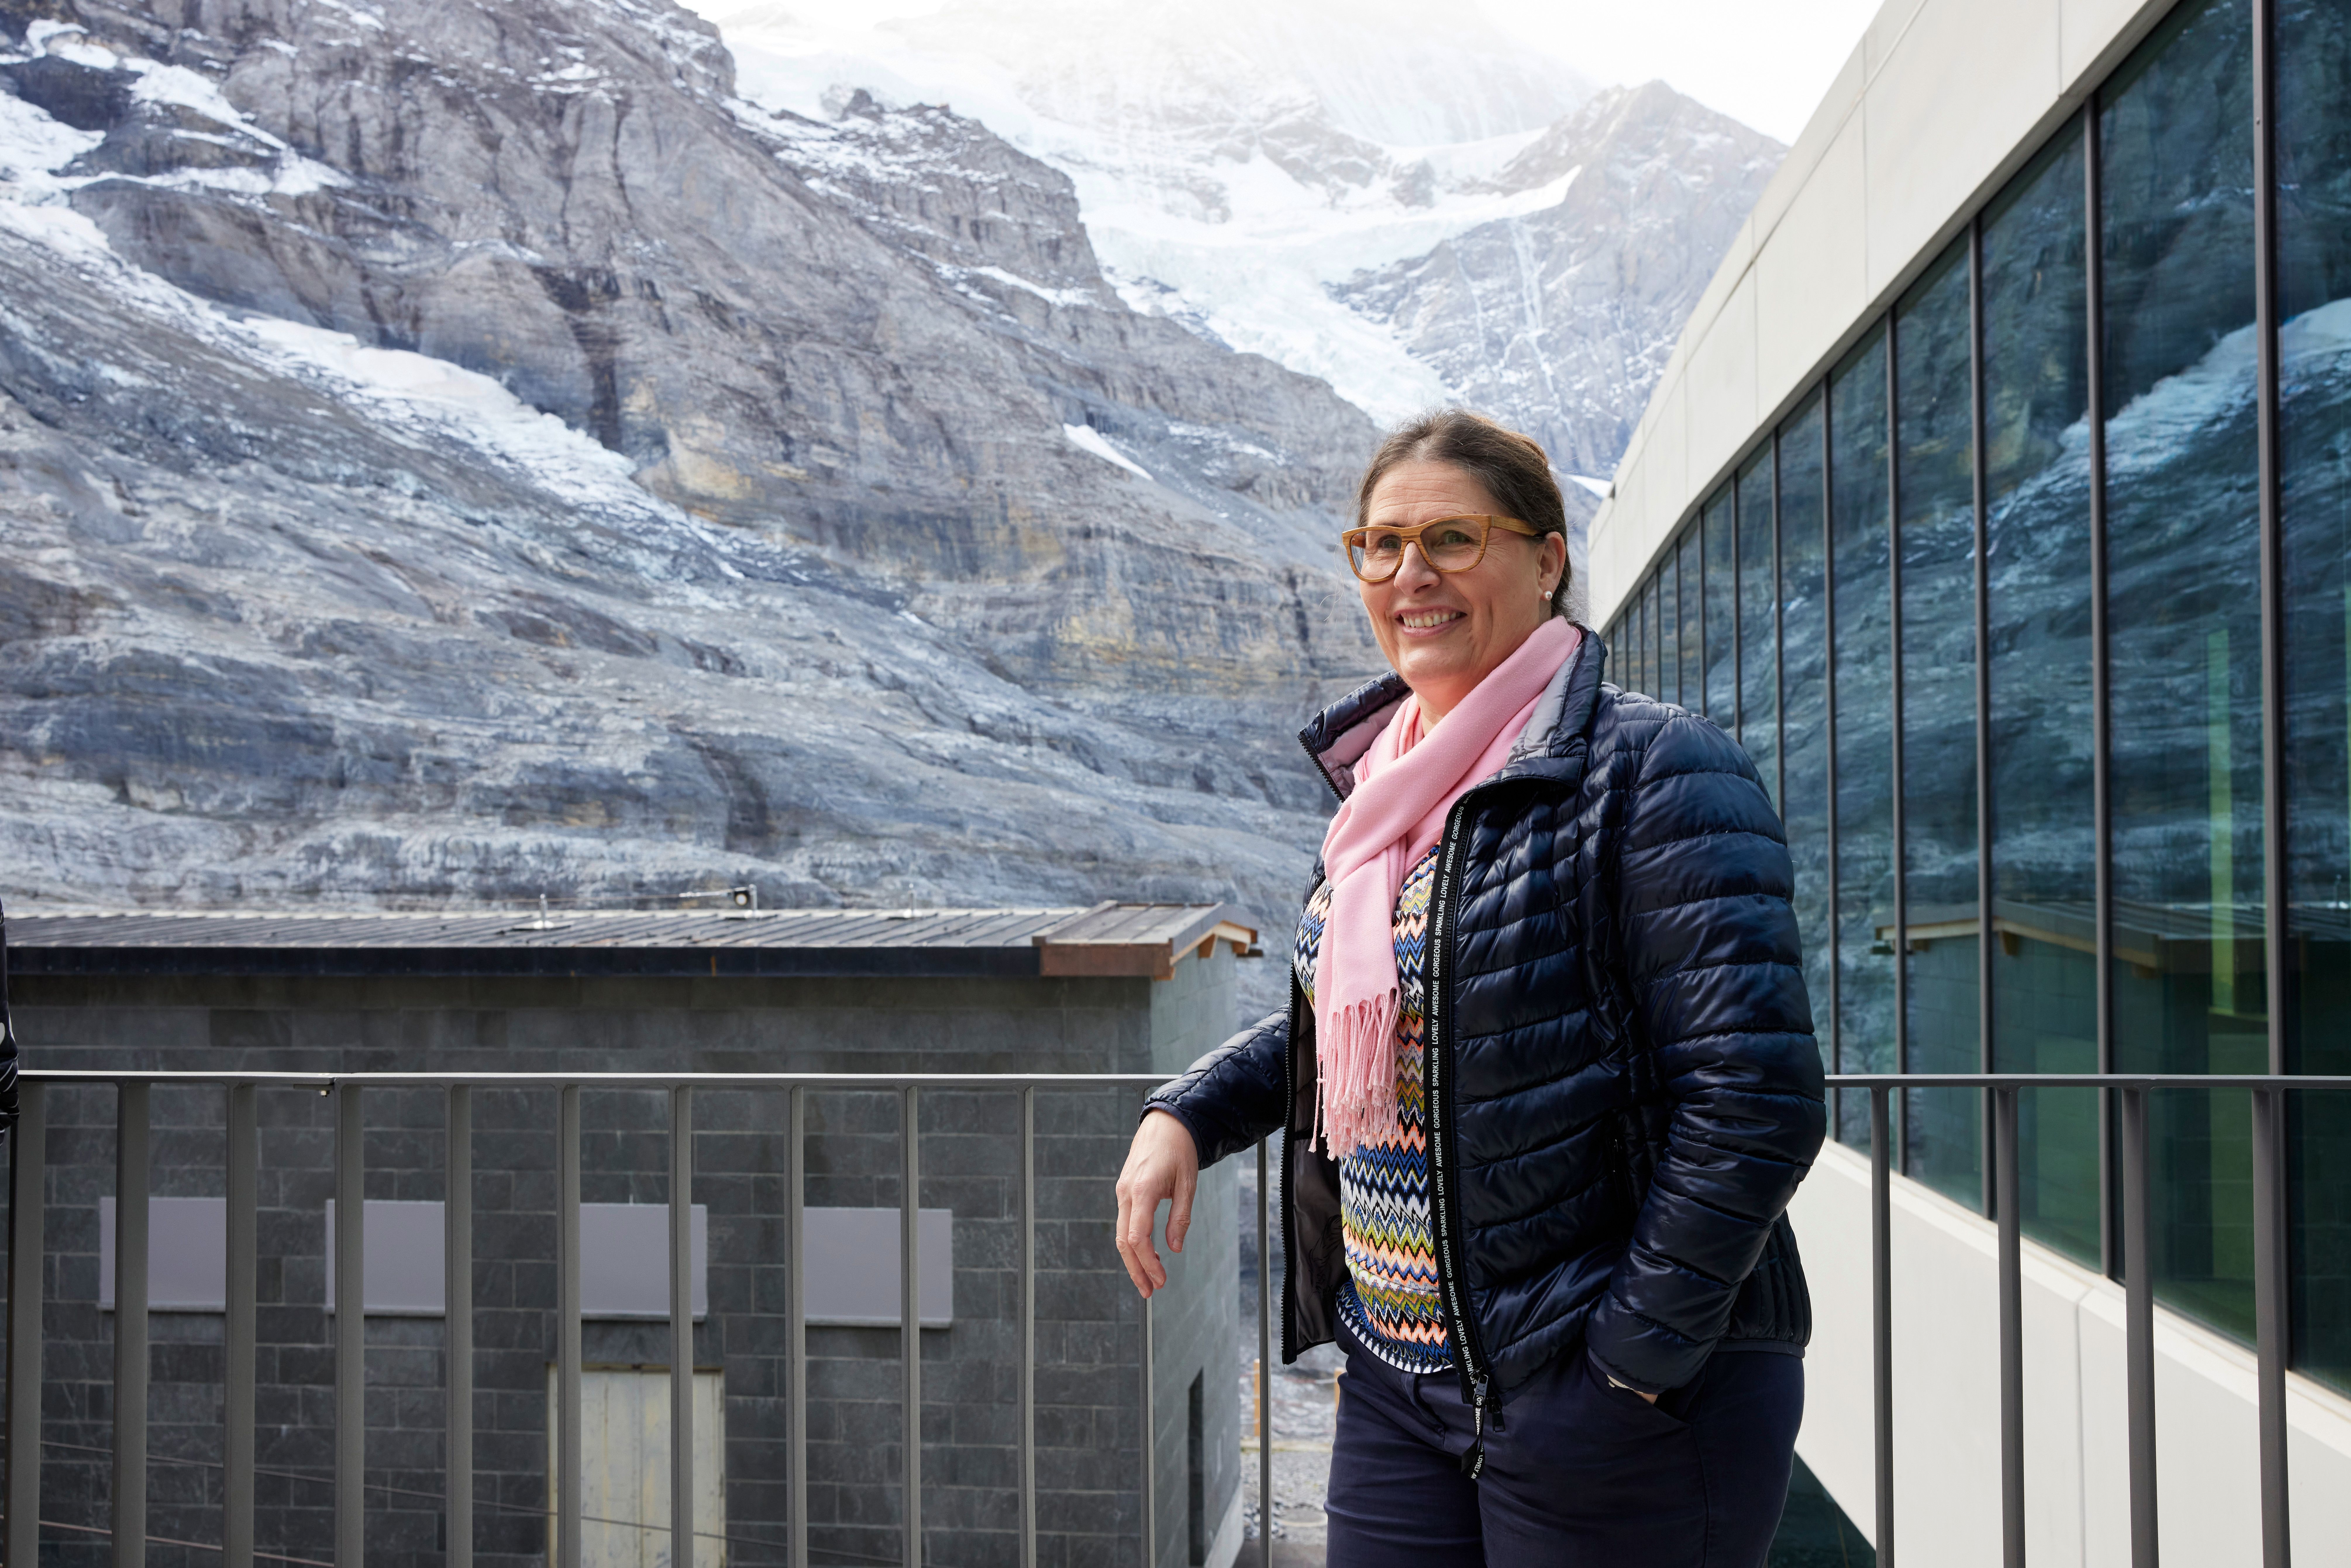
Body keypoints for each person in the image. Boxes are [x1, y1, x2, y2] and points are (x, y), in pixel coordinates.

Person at [1113, 410, 1825, 1566]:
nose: (1410, 575)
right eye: (1381, 545)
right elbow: (1355, 1032)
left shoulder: (1657, 767)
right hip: (1402, 1383)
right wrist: (1186, 1109)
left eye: (1452, 537)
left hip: (1606, 1392)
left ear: (1546, 561)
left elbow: (1756, 1095)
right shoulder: (1381, 801)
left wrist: (1622, 1370)